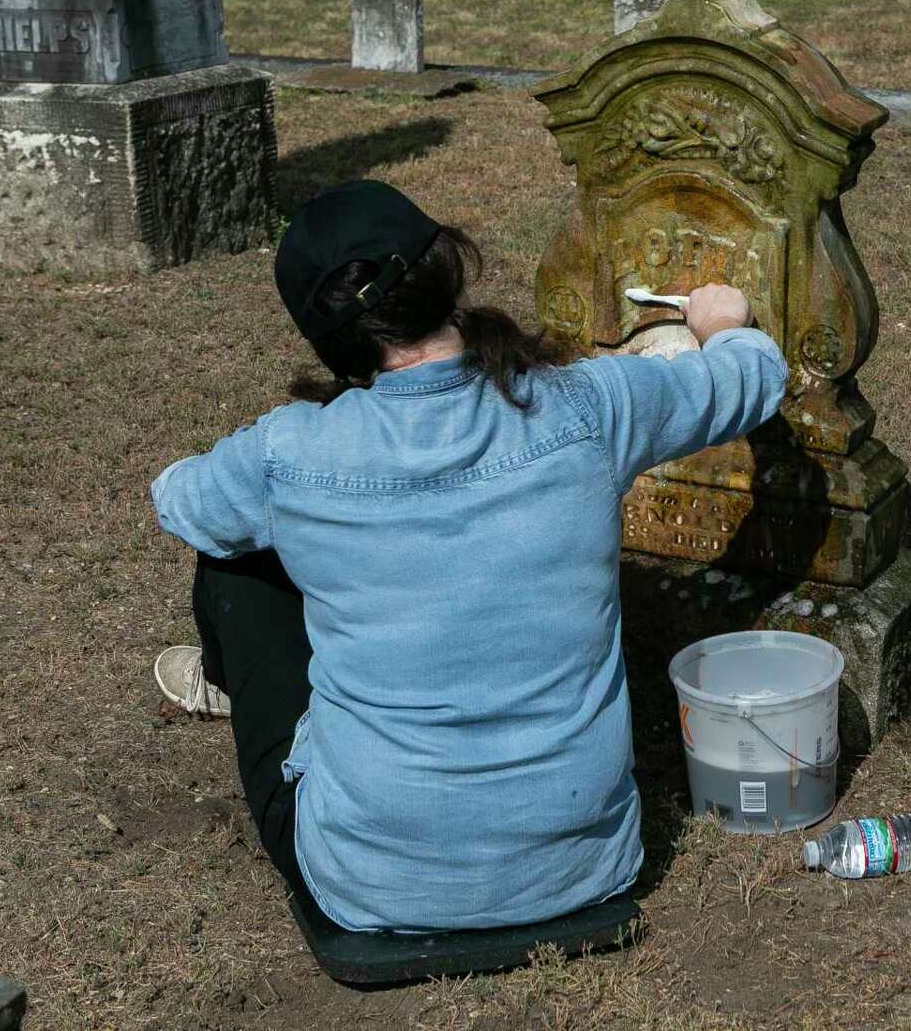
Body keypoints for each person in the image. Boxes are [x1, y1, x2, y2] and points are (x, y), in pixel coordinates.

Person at [148, 180, 786, 933]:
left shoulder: (288, 453)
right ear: (447, 269)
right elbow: (753, 380)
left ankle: (226, 683)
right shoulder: (588, 405)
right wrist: (725, 324)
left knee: (231, 559)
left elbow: (178, 501)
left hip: (370, 883)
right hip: (586, 863)